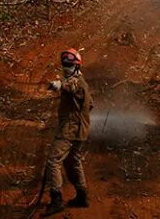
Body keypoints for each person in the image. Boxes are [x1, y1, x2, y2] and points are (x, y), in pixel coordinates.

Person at [41, 48, 92, 215]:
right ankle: (82, 196)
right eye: (64, 64)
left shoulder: (78, 82)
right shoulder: (77, 80)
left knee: (53, 161)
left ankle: (56, 200)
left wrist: (59, 85)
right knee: (72, 161)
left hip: (70, 130)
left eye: (69, 64)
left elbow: (71, 87)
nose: (66, 67)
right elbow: (90, 105)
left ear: (77, 66)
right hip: (79, 130)